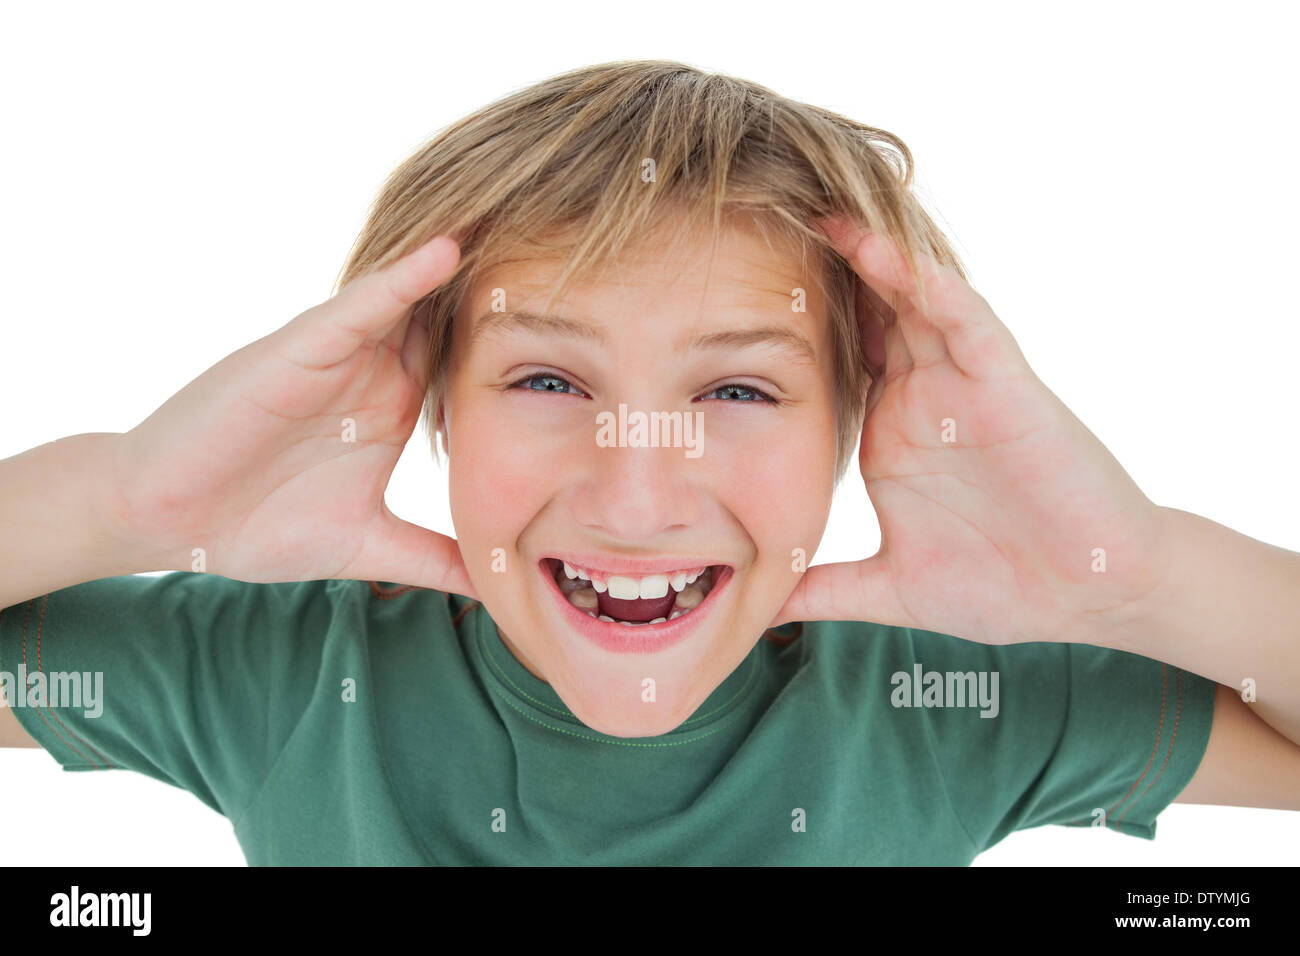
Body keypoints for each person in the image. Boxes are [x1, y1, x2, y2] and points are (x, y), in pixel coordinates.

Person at [2, 60, 1297, 865]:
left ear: (859, 419)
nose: (635, 495)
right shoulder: (287, 671)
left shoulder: (941, 703)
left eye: (737, 388)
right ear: (425, 402)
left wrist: (1132, 576)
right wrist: (127, 500)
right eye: (550, 381)